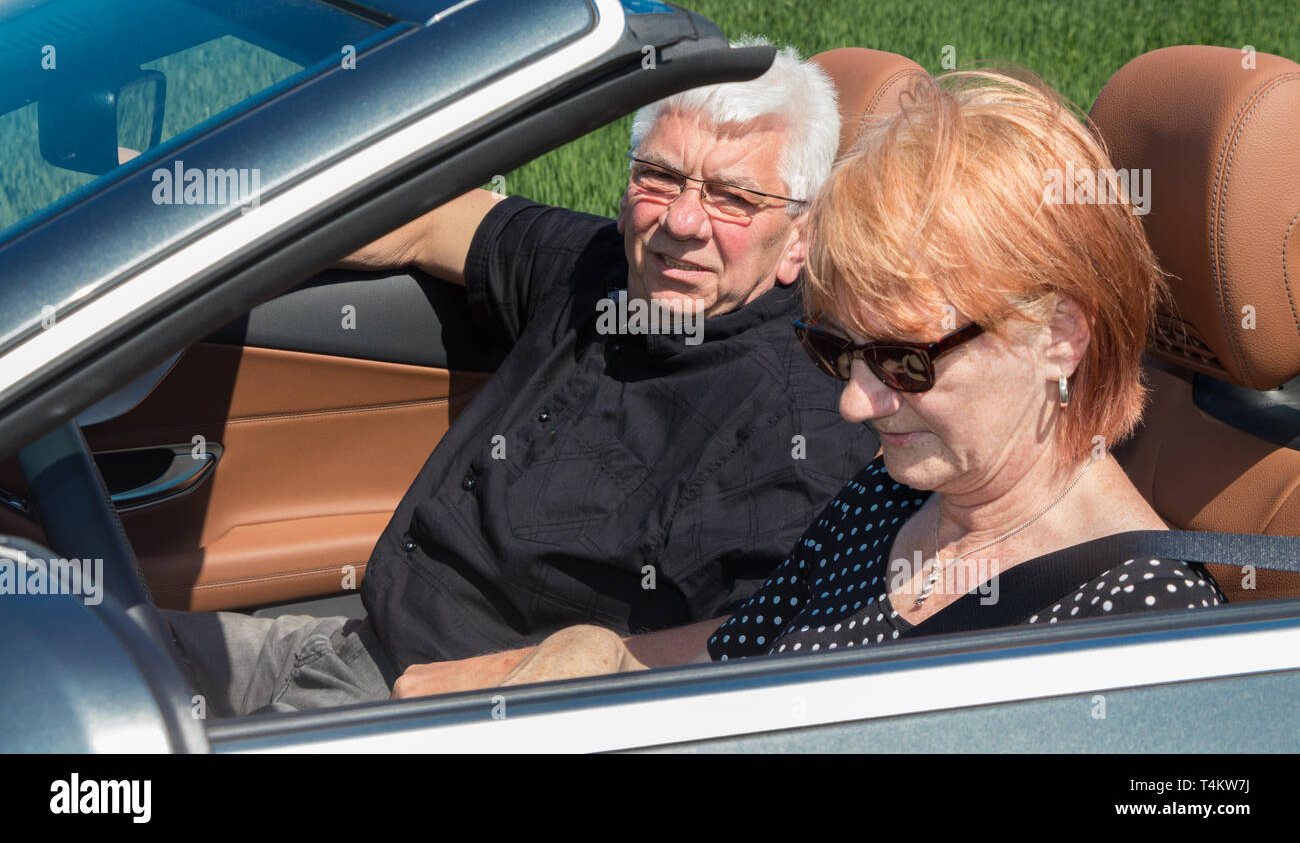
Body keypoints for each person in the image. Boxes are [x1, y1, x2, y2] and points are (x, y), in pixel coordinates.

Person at [389, 67, 1225, 698]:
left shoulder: (1148, 627)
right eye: (838, 353)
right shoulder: (893, 499)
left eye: (905, 361)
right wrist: (567, 661)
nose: (856, 403)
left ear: (1059, 338)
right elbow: (747, 647)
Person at [164, 39, 881, 716]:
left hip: (430, 712)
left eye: (734, 198)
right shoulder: (602, 264)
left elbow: (756, 650)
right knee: (69, 637)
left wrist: (497, 684)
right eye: (660, 178)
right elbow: (429, 222)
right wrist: (181, 198)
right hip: (346, 644)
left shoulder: (800, 420)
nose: (683, 222)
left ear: (800, 240)